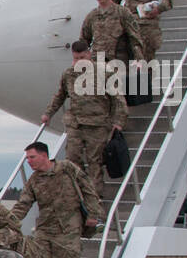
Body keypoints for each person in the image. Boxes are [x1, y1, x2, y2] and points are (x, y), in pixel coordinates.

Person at [10, 142, 101, 258]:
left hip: (68, 229)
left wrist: (93, 214)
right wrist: (7, 222)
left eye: (32, 157)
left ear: (44, 155)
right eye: (27, 158)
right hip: (45, 229)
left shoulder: (66, 168)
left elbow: (88, 188)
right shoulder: (34, 180)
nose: (29, 161)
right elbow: (23, 205)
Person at [42, 40, 128, 190]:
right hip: (75, 123)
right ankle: (79, 193)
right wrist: (48, 113)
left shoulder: (105, 72)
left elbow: (118, 99)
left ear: (89, 55)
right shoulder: (69, 74)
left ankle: (95, 195)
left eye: (82, 58)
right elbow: (60, 96)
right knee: (72, 158)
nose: (78, 62)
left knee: (95, 161)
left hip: (97, 124)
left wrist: (118, 122)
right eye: (75, 58)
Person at [80, 0, 145, 68]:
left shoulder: (122, 12)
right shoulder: (92, 16)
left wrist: (139, 59)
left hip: (118, 63)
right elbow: (83, 40)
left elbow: (135, 37)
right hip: (98, 64)